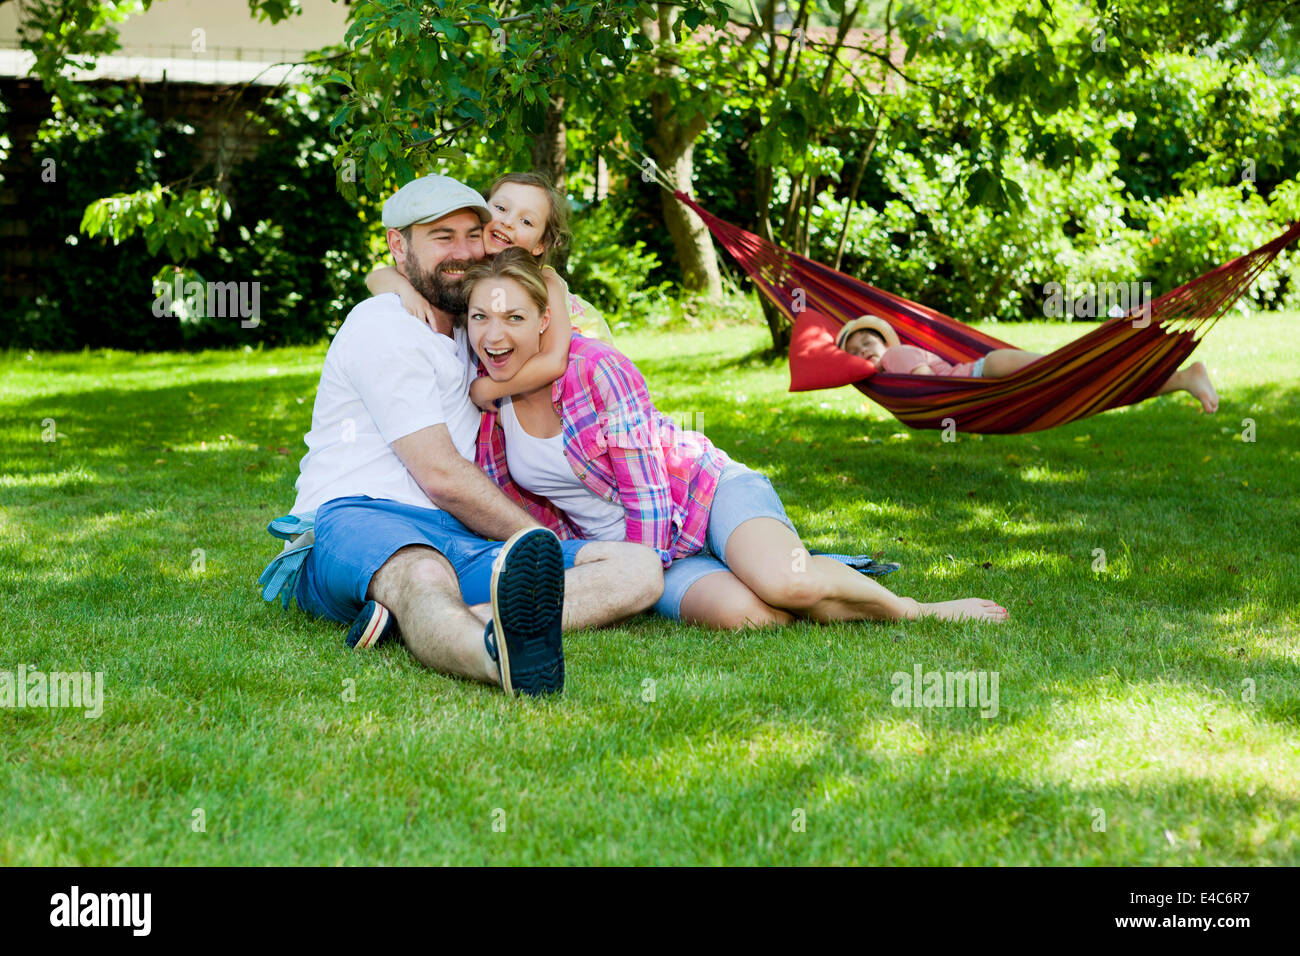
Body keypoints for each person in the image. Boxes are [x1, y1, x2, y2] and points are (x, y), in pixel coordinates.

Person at [258, 174, 663, 696]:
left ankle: (425, 622)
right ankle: (498, 658)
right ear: (399, 245)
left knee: (639, 569)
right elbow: (441, 476)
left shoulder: (474, 329)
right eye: (442, 237)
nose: (464, 251)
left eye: (473, 234)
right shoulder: (384, 326)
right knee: (423, 574)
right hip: (357, 518)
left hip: (458, 536)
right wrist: (535, 541)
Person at [463, 248, 1010, 629]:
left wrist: (634, 575)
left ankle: (913, 608)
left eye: (514, 316)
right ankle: (787, 570)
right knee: (753, 619)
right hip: (647, 554)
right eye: (480, 317)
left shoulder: (596, 369)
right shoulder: (486, 403)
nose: (494, 334)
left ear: (544, 322)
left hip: (702, 495)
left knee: (785, 585)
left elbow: (649, 489)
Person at [365, 171, 616, 415]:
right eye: (501, 209)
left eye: (526, 221)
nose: (508, 222)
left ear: (540, 244)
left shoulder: (545, 281)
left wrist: (485, 389)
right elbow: (376, 276)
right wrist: (404, 290)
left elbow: (554, 362)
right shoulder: (475, 267)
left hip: (586, 379)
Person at [836, 315, 1220, 413]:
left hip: (987, 372)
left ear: (885, 342)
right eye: (854, 352)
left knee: (1073, 371)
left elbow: (926, 387)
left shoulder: (894, 357)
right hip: (987, 386)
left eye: (867, 343)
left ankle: (1128, 347)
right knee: (1088, 387)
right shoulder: (886, 372)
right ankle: (1183, 377)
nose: (864, 353)